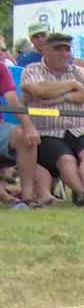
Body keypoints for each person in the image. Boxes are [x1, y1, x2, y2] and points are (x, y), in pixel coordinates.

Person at [21, 32, 84, 206]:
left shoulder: (79, 71)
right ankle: (83, 194)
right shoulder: (32, 70)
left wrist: (64, 97)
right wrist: (72, 85)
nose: (63, 53)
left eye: (67, 49)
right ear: (45, 51)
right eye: (58, 49)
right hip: (47, 132)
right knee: (65, 158)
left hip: (79, 127)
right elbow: (40, 90)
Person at [0, 62, 39, 207]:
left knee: (25, 136)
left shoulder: (1, 68)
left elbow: (13, 101)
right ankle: (6, 197)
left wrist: (29, 127)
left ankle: (27, 198)